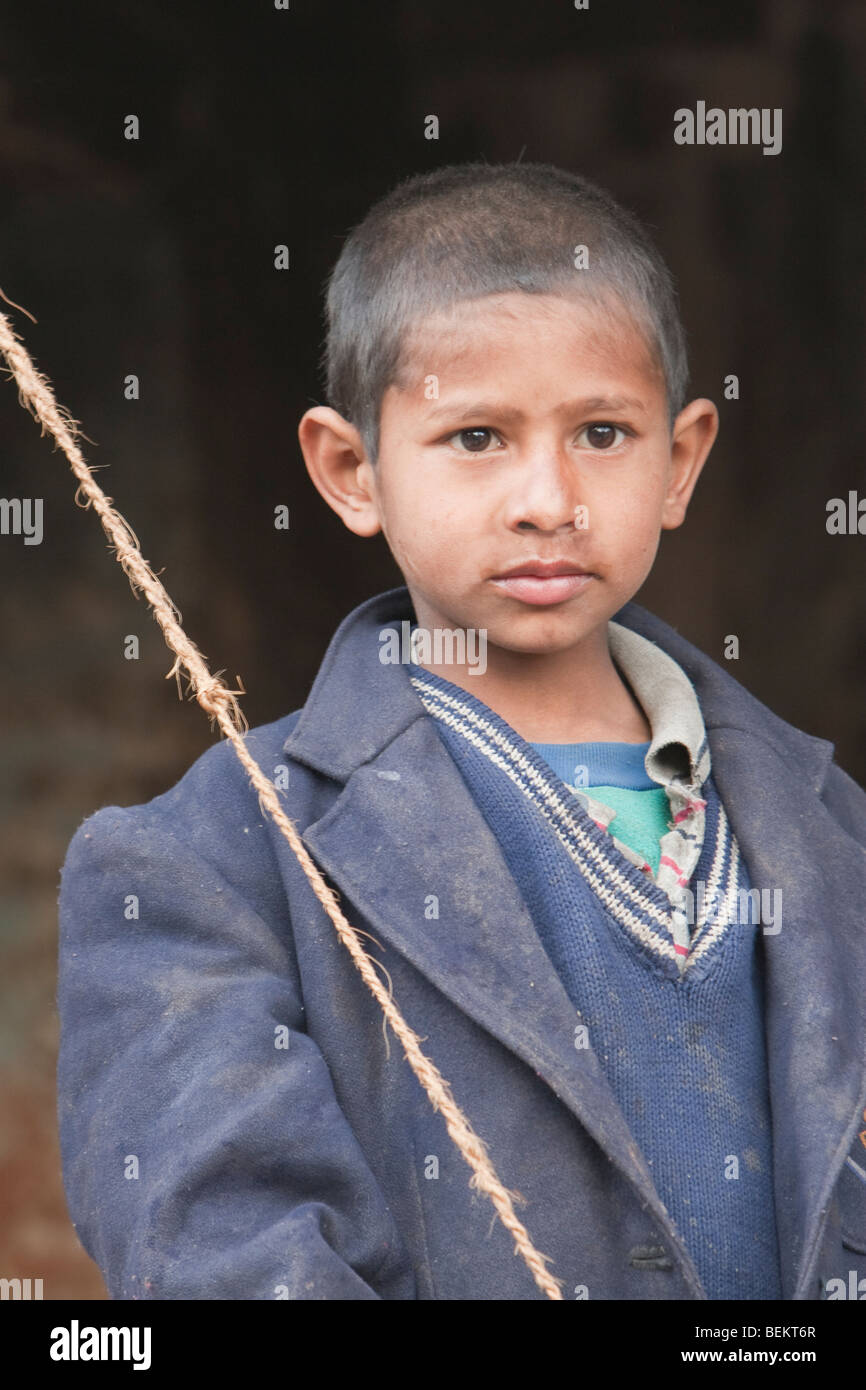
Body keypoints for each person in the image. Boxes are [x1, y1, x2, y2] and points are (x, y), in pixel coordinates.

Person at [57, 161, 866, 1301]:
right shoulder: (208, 862)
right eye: (476, 437)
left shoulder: (828, 827)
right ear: (351, 471)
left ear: (678, 461)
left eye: (600, 430)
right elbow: (230, 1256)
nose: (547, 498)